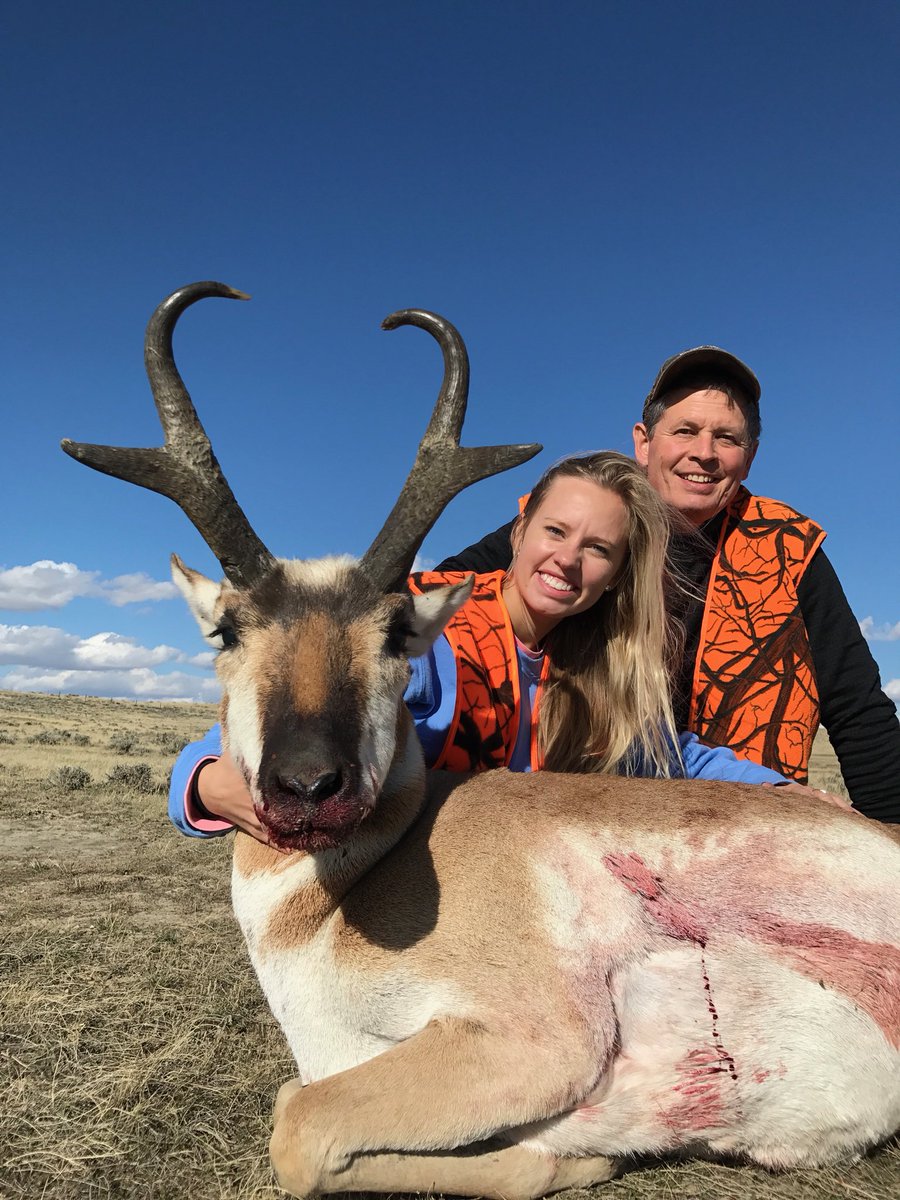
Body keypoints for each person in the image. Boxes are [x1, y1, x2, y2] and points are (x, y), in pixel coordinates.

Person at [170, 451, 816, 844]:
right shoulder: (423, 641)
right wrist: (200, 784)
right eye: (556, 531)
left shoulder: (598, 672)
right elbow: (263, 720)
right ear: (518, 533)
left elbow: (676, 758)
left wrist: (792, 799)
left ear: (617, 573)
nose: (568, 559)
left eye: (598, 549)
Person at [438, 348, 900, 823]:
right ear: (643, 442)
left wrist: (891, 833)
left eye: (727, 438)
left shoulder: (788, 550)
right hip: (572, 813)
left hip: (742, 819)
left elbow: (857, 709)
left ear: (750, 457)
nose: (704, 452)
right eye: (685, 431)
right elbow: (439, 600)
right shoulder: (576, 518)